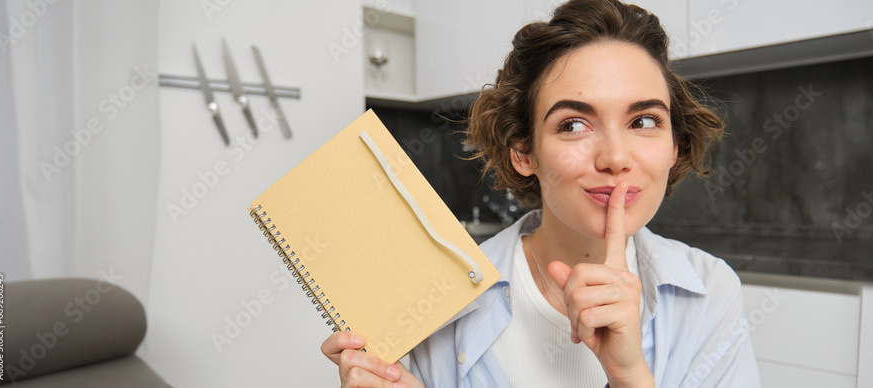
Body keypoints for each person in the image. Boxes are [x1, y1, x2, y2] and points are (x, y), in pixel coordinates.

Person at [322, 0, 760, 386]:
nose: (615, 157)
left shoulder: (709, 293)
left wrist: (630, 377)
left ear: (674, 146)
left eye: (644, 121)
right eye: (573, 124)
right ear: (523, 152)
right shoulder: (439, 301)